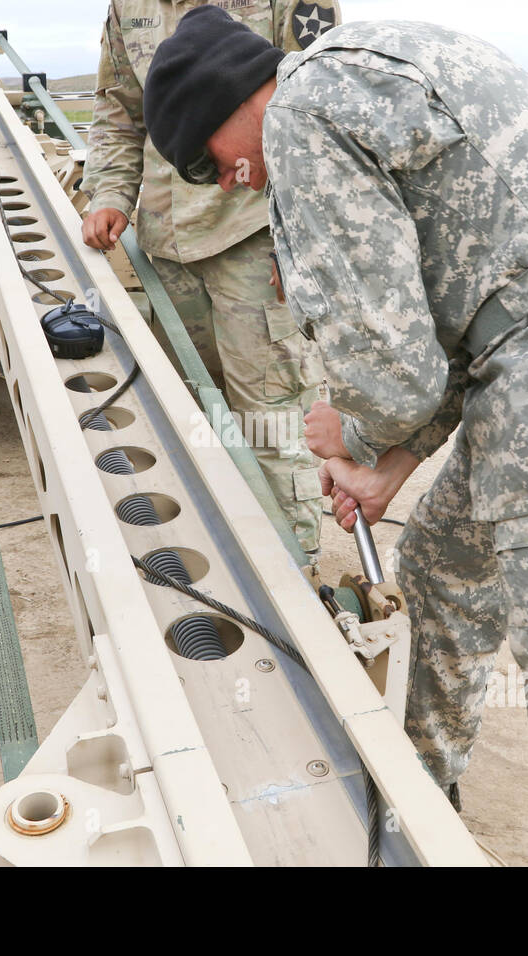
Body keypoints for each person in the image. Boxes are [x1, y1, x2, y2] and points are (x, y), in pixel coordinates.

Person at [143, 7, 528, 865]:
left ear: (236, 100)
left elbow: (392, 366)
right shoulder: (375, 57)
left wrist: (350, 429)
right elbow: (469, 309)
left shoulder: (302, 121)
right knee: (445, 564)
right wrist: (391, 464)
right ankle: (417, 786)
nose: (229, 182)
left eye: (210, 158)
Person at [80, 0, 341, 562]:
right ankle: (213, 560)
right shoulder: (129, 7)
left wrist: (300, 240)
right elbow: (120, 112)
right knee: (186, 418)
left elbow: (313, 114)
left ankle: (293, 578)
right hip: (165, 245)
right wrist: (109, 194)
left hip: (252, 234)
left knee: (267, 421)